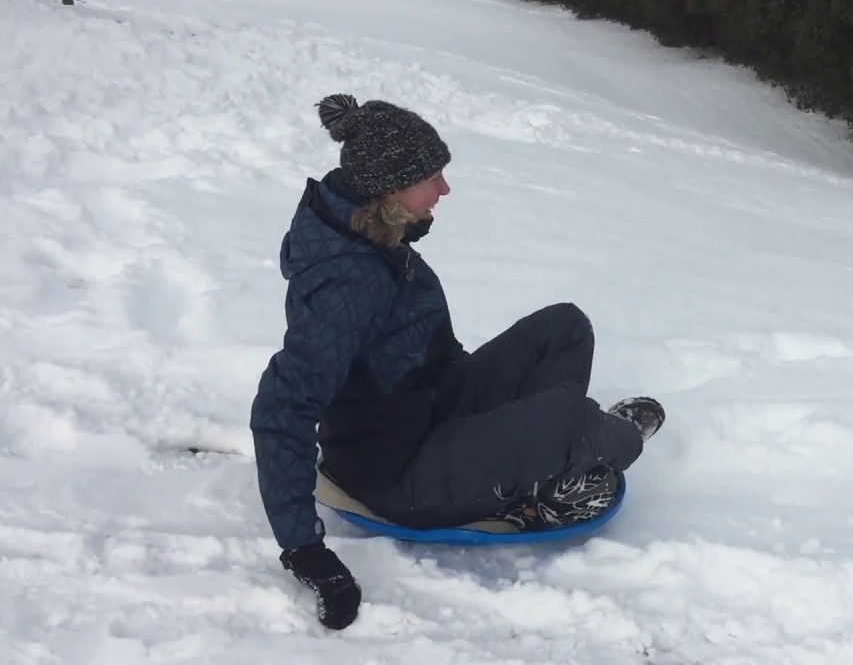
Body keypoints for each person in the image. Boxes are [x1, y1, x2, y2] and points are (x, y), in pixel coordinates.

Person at [248, 93, 666, 631]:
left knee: (563, 327)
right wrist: (306, 552)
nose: (444, 189)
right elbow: (281, 409)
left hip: (432, 407)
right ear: (390, 187)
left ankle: (547, 461)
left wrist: (493, 406)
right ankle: (603, 445)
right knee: (575, 421)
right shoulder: (347, 284)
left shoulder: (370, 229)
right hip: (401, 473)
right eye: (433, 177)